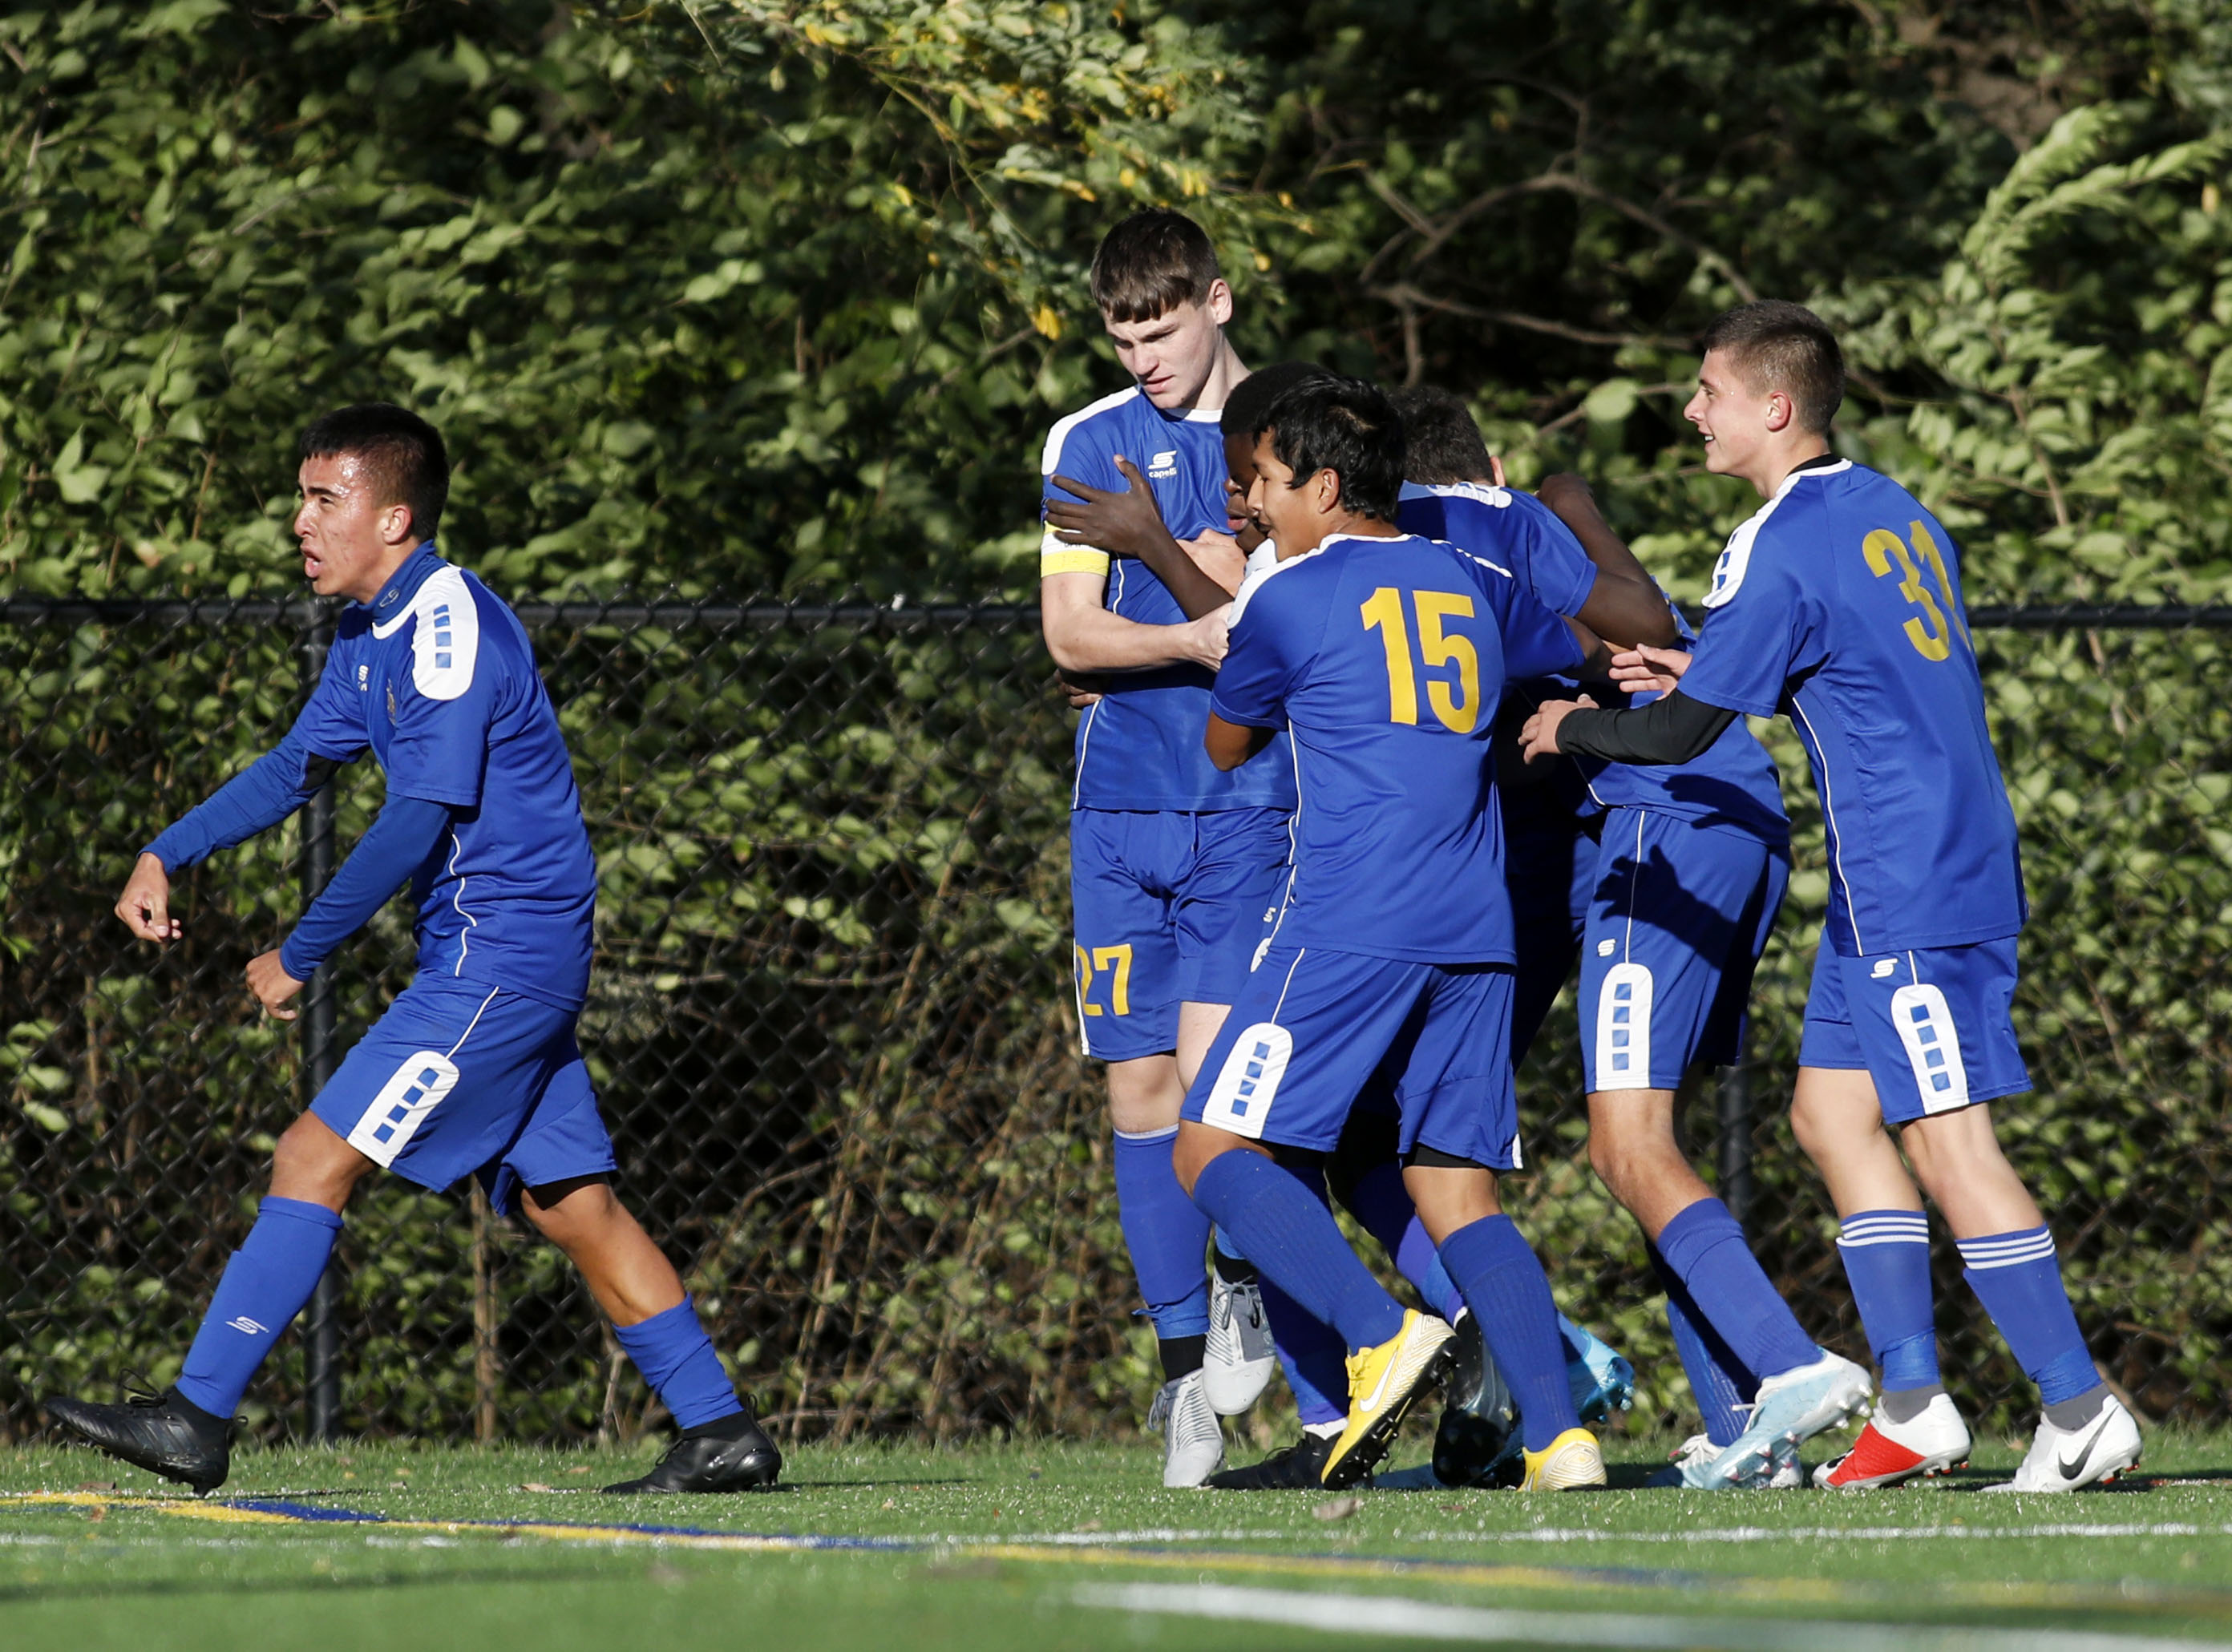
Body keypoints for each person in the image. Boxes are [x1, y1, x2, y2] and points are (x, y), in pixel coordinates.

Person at [45, 405, 778, 1497]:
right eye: (300, 497)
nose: (300, 521)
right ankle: (721, 1430)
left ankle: (195, 1418)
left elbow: (416, 816)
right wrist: (165, 850)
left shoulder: (444, 626)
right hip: (501, 961)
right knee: (570, 1204)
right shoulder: (368, 630)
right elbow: (295, 767)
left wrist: (301, 951)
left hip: (497, 961)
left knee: (312, 1157)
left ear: (394, 518)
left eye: (323, 499)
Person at [1522, 301, 2141, 1492]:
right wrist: (1700, 666)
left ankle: (2079, 1408)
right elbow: (1847, 665)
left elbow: (1683, 735)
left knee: (1950, 1143)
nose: (1691, 410)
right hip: (1905, 867)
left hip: (1913, 874)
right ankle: (1913, 1405)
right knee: (1830, 1116)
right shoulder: (1890, 507)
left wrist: (1572, 727)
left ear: (1774, 406)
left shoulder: (1773, 541)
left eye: (1709, 391)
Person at [1399, 388, 1843, 1490]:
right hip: (1732, 822)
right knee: (1648, 1155)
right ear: (1491, 465)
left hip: (1665, 825)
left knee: (1625, 1146)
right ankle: (1744, 1429)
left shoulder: (1472, 556)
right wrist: (1568, 497)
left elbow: (1622, 633)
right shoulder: (1537, 530)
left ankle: (1791, 1365)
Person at [1175, 372, 1610, 1492]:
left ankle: (1380, 1337)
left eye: (1268, 482)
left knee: (1210, 1149)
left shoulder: (1290, 595)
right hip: (1479, 928)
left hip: (1351, 918)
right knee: (1458, 1191)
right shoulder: (1470, 578)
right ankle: (1563, 1441)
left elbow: (1226, 744)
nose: (1257, 503)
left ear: (1324, 487)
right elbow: (1566, 647)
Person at [1036, 208, 1290, 1484]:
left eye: (1164, 330)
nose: (1145, 359)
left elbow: (1273, 615)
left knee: (1217, 1089)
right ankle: (1186, 1375)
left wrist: (1202, 584)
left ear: (1218, 302)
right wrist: (1187, 629)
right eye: (1123, 337)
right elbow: (1070, 635)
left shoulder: (1289, 431)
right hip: (1118, 815)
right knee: (1136, 1093)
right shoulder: (1085, 442)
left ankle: (1245, 1280)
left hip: (1247, 804)